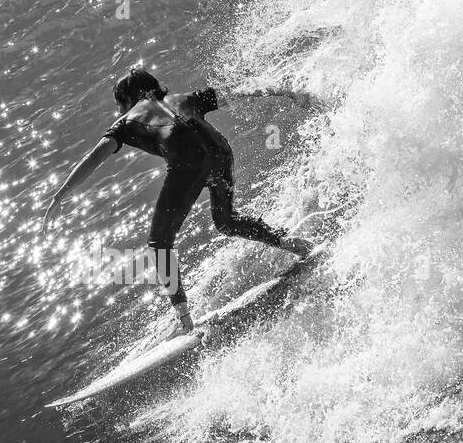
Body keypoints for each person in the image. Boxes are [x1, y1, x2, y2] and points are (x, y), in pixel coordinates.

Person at [41, 67, 313, 338]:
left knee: (159, 243)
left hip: (188, 163)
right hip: (220, 151)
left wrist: (59, 196)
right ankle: (291, 243)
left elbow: (93, 158)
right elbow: (242, 91)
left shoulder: (125, 123)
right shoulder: (186, 98)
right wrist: (289, 91)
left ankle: (184, 321)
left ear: (127, 100)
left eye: (118, 104)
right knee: (226, 221)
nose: (118, 111)